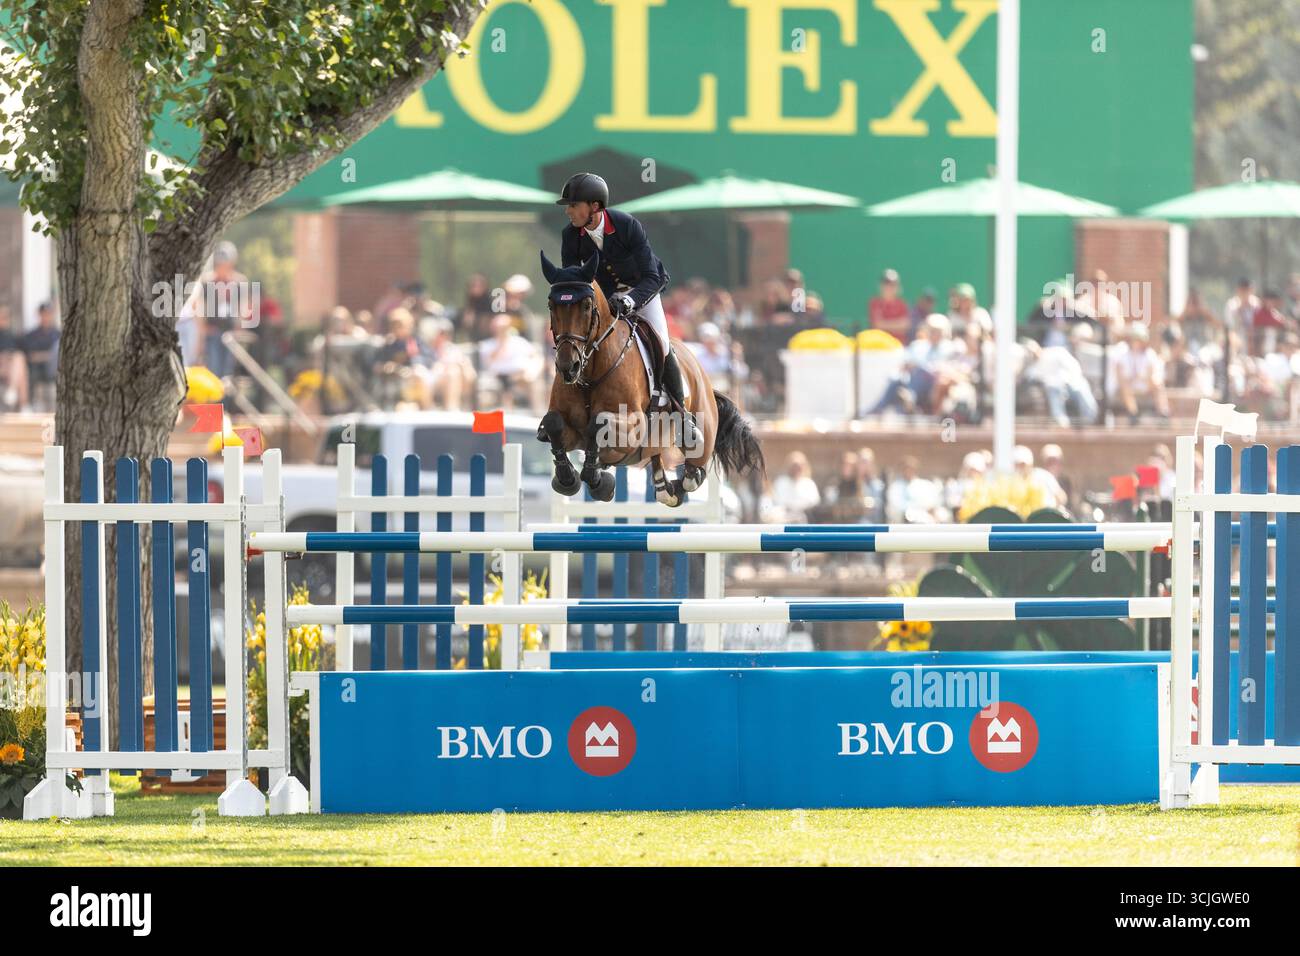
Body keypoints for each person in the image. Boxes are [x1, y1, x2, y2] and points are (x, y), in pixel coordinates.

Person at [554, 171, 700, 449]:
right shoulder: (570, 236)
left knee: (661, 343)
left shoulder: (626, 225)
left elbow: (651, 276)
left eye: (574, 205)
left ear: (594, 207)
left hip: (643, 291)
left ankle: (682, 416)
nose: (569, 212)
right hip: (604, 299)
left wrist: (632, 300)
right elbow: (574, 279)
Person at [478, 313, 542, 409]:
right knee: (500, 391)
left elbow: (535, 355)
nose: (502, 330)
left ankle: (538, 413)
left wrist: (531, 371)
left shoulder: (519, 341)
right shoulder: (487, 345)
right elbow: (489, 362)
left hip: (522, 376)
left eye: (504, 327)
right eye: (500, 327)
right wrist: (502, 342)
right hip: (499, 377)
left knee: (535, 383)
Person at [1114, 324, 1170, 422]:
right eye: (1136, 339)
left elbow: (1153, 374)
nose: (1138, 342)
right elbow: (1122, 377)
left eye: (1140, 339)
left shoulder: (1150, 354)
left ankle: (1163, 413)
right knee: (1125, 386)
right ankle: (1133, 413)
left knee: (1158, 385)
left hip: (1145, 386)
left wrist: (1147, 379)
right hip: (1129, 387)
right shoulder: (1123, 355)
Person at [21, 301, 60, 411]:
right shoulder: (31, 335)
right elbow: (31, 356)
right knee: (31, 373)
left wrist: (45, 356)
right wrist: (49, 355)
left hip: (54, 369)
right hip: (36, 369)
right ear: (39, 315)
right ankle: (29, 404)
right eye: (44, 314)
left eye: (49, 314)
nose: (46, 317)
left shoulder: (58, 334)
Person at [768, 451, 821, 524]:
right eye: (794, 466)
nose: (796, 469)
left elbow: (814, 503)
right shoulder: (780, 482)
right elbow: (776, 501)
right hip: (784, 520)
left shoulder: (809, 484)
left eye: (799, 466)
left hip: (805, 520)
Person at [868, 268, 910, 342]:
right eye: (886, 283)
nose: (889, 287)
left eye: (893, 284)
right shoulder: (875, 303)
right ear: (881, 285)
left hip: (898, 346)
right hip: (879, 346)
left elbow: (905, 326)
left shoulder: (902, 304)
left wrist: (885, 324)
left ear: (897, 287)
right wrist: (897, 325)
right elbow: (878, 325)